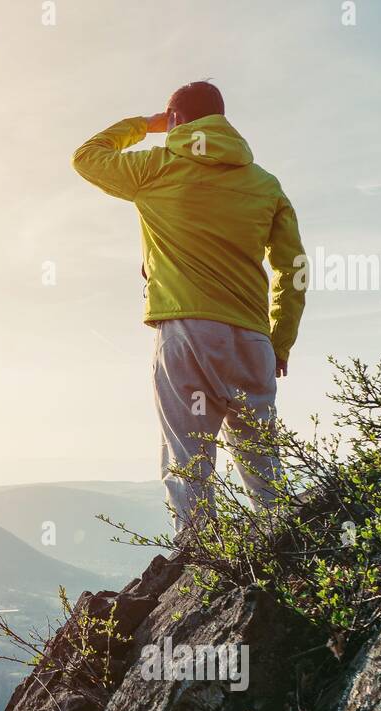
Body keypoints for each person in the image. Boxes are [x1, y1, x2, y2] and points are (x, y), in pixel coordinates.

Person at [72, 80, 307, 533]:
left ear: (175, 120)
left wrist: (144, 125)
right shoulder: (265, 184)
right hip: (252, 341)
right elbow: (293, 269)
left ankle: (202, 571)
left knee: (188, 463)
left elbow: (86, 156)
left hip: (187, 335)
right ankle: (294, 561)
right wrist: (281, 340)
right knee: (265, 472)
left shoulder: (156, 166)